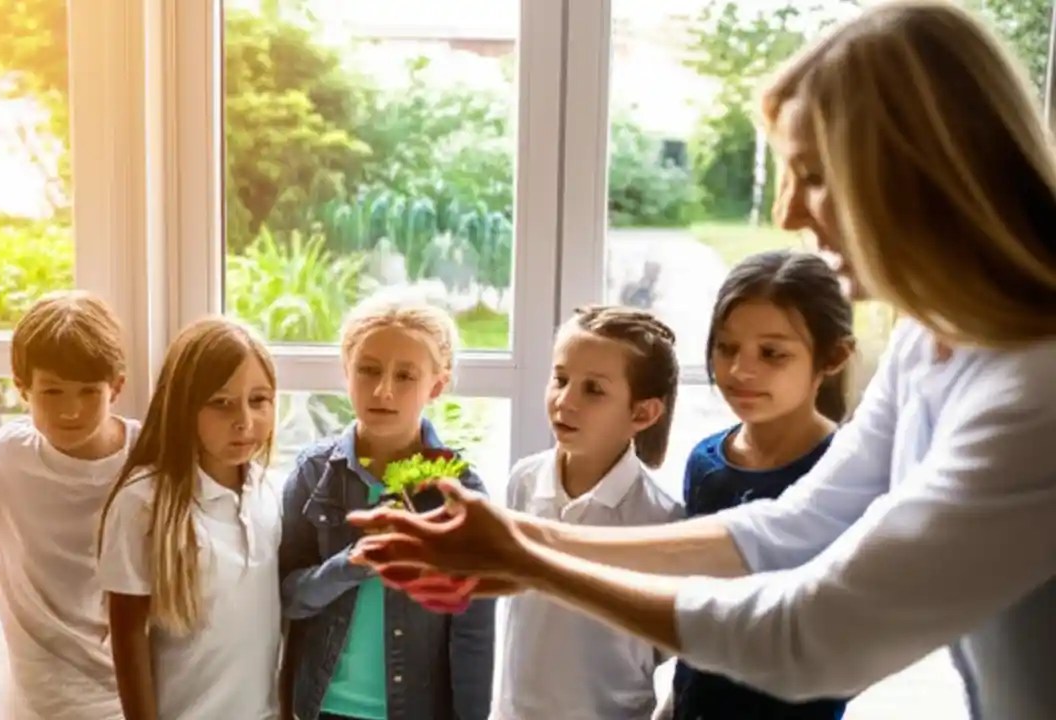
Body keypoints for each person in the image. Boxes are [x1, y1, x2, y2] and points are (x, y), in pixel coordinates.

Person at [349, 3, 1056, 719]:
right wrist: (523, 538)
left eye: (811, 173)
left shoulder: (1037, 393)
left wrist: (532, 563)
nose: (787, 213)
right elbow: (790, 527)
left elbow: (811, 638)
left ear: (914, 171)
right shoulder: (933, 340)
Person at [279, 292, 494, 720]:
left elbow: (473, 635)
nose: (383, 390)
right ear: (346, 371)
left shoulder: (460, 490)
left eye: (405, 376)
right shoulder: (313, 473)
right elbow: (288, 598)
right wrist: (349, 565)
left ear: (437, 385)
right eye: (368, 370)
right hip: (321, 709)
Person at [662, 251, 852, 720]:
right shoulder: (705, 463)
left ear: (832, 357)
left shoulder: (845, 473)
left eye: (772, 354)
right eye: (727, 348)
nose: (740, 372)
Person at [0, 291, 138, 719]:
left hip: (128, 699)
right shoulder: (5, 457)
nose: (70, 410)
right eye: (52, 392)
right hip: (33, 704)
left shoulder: (148, 459)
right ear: (22, 388)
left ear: (116, 386)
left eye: (88, 392)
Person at [499, 306, 682, 720]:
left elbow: (678, 654)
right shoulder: (523, 482)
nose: (565, 400)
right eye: (561, 380)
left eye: (593, 390)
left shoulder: (663, 520)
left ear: (643, 413)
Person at [98, 317, 282, 719]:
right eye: (221, 402)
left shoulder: (273, 493)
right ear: (183, 405)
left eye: (259, 400)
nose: (244, 422)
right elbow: (128, 637)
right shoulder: (143, 503)